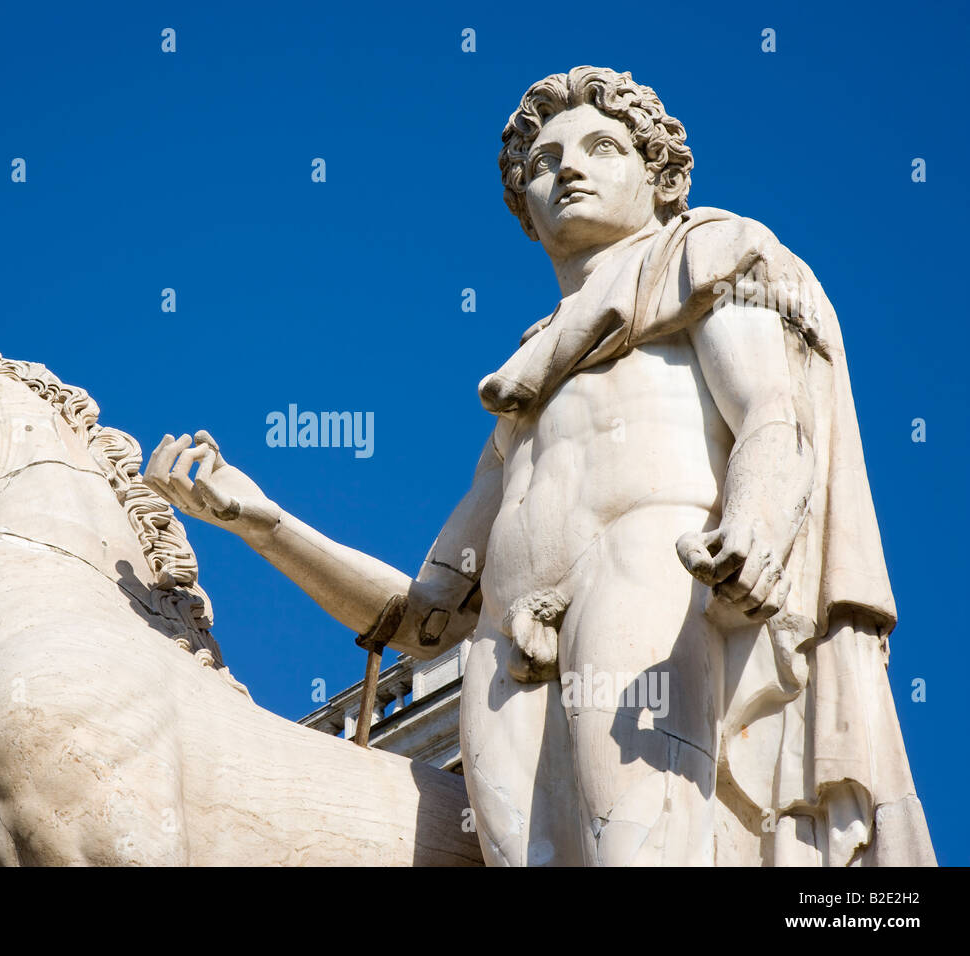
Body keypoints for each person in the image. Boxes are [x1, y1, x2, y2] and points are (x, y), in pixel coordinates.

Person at [143, 66, 936, 866]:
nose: (570, 169)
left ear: (661, 180)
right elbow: (423, 618)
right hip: (502, 640)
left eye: (602, 147)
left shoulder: (701, 258)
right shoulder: (523, 395)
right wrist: (264, 522)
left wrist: (758, 524)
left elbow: (774, 414)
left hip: (650, 564)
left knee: (638, 846)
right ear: (524, 202)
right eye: (545, 161)